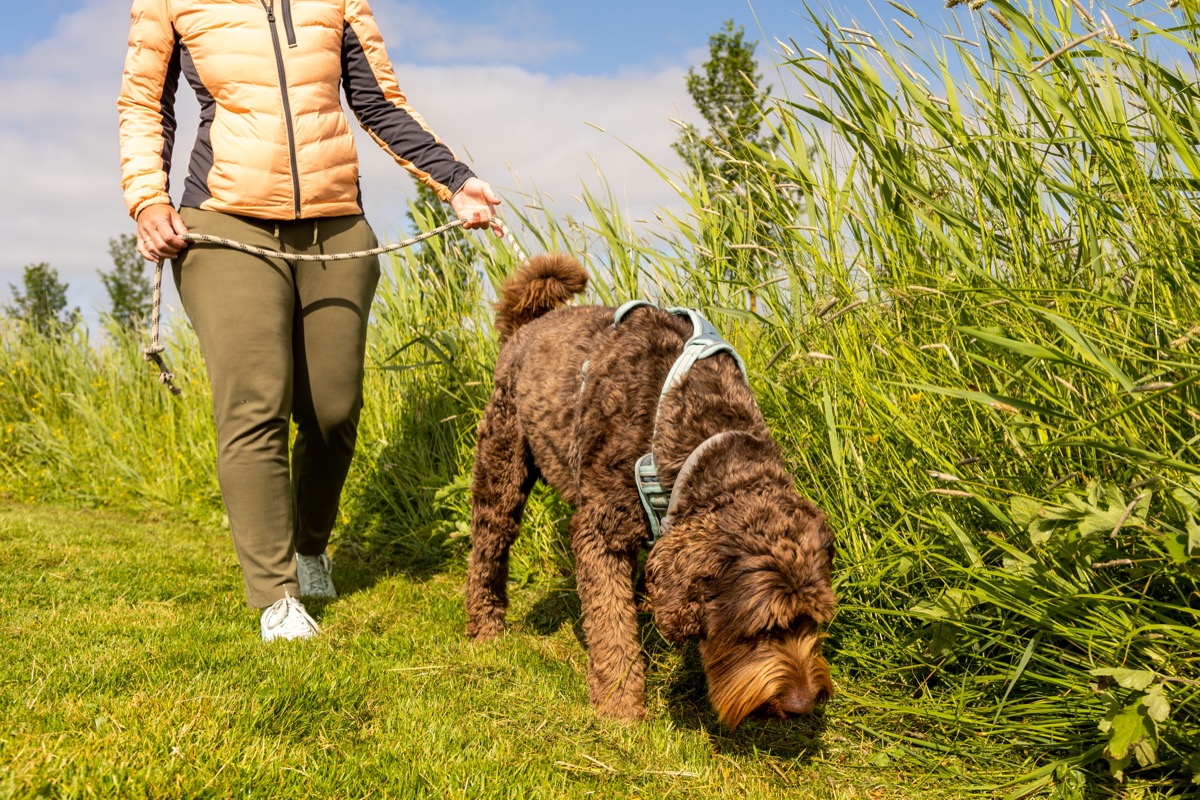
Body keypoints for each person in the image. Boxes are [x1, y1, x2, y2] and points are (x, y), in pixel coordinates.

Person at [118, 0, 500, 641]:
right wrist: (147, 199)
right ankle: (276, 596)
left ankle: (309, 546)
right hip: (223, 220)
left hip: (336, 223)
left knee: (332, 408)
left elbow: (379, 103)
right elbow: (144, 106)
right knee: (255, 401)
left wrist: (455, 181)